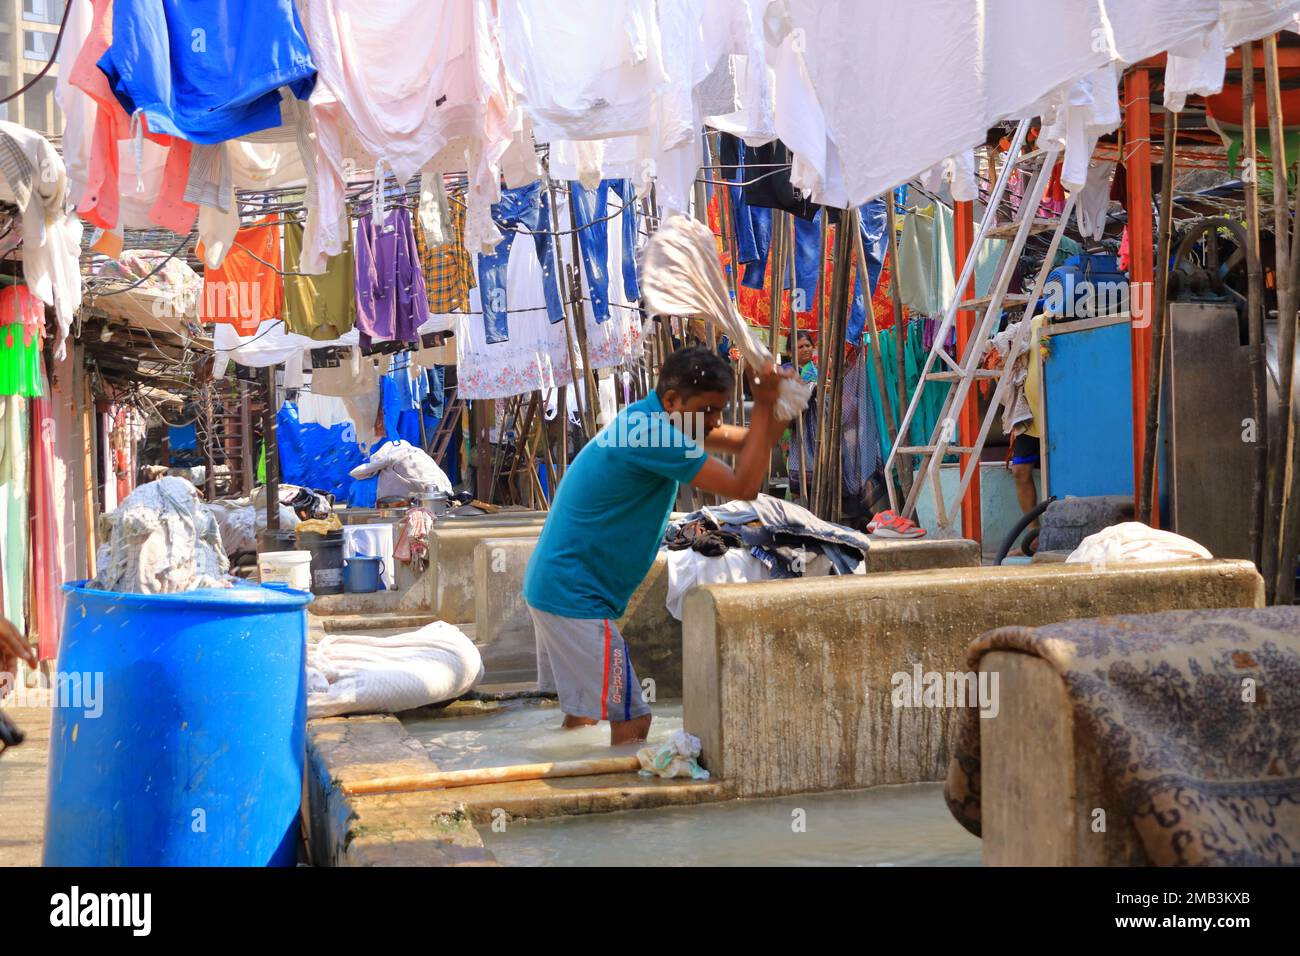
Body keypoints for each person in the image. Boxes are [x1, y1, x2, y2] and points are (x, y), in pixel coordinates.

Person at [521, 347, 793, 744]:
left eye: (719, 411)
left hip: (558, 591)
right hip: (576, 599)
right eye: (707, 411)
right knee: (634, 720)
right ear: (672, 400)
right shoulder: (654, 434)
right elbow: (744, 486)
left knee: (584, 718)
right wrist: (766, 403)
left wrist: (780, 406)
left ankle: (573, 776)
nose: (714, 422)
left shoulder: (653, 420)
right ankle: (624, 802)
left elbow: (753, 442)